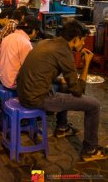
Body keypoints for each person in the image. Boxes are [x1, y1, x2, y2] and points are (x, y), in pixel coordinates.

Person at [17, 20, 108, 162]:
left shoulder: (48, 42)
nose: (83, 44)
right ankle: (90, 149)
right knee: (94, 105)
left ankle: (62, 127)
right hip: (36, 98)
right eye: (83, 40)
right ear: (75, 39)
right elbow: (78, 91)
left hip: (23, 92)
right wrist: (86, 65)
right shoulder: (64, 53)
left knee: (64, 85)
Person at [0, 15, 40, 89]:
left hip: (3, 78)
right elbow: (28, 69)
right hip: (13, 83)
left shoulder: (8, 37)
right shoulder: (25, 43)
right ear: (33, 31)